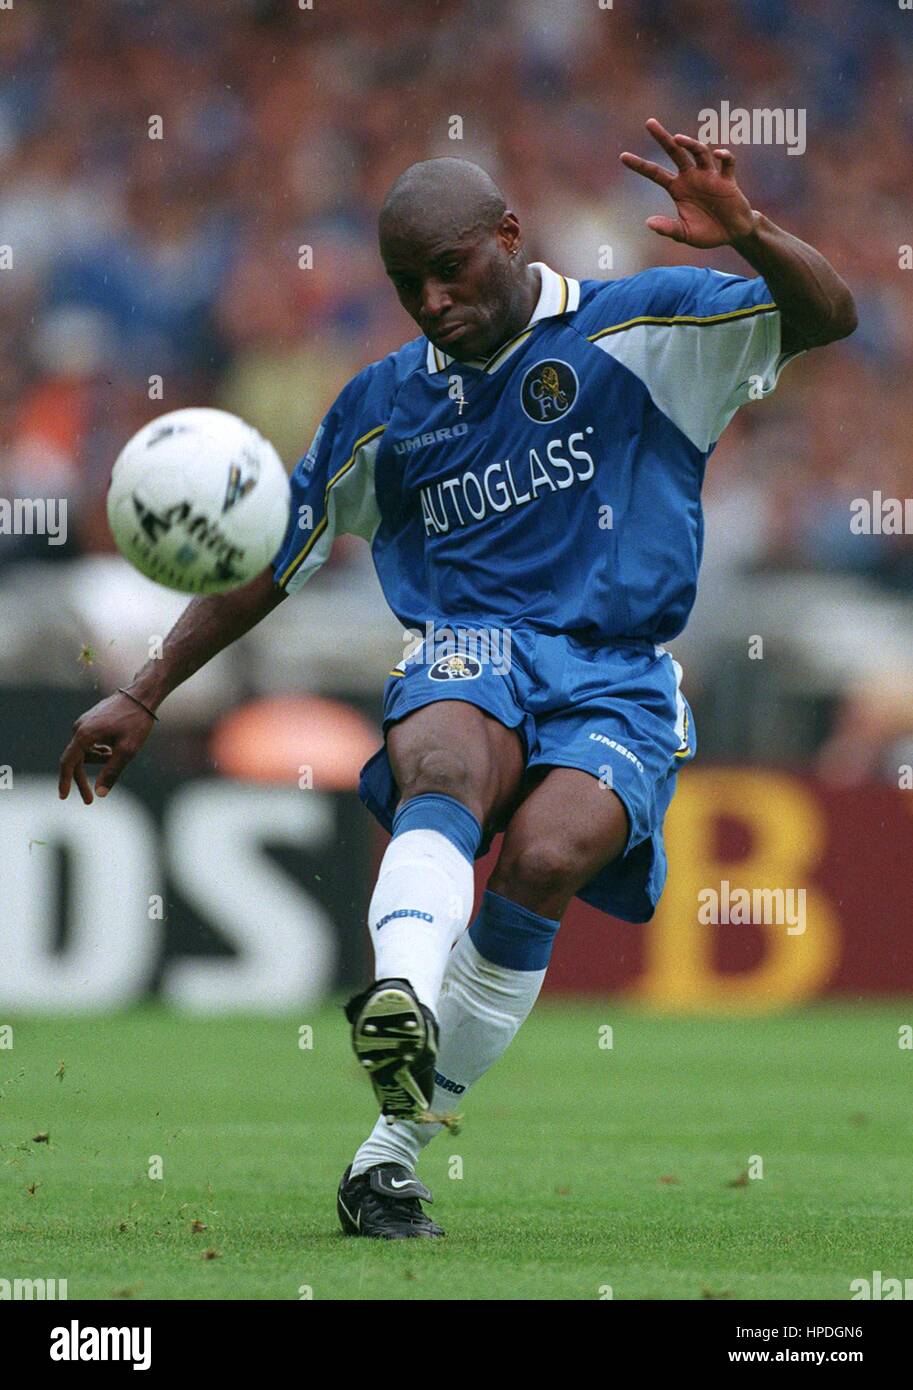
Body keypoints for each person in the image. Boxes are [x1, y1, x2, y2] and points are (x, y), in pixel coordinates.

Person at [58, 120, 857, 1239]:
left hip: (619, 670)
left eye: (450, 270)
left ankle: (387, 1152)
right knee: (445, 749)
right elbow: (272, 563)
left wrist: (755, 233)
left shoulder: (645, 327)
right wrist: (144, 687)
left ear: (509, 236)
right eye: (405, 284)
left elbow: (830, 317)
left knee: (547, 856)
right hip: (472, 644)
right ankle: (402, 993)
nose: (430, 301)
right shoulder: (384, 406)